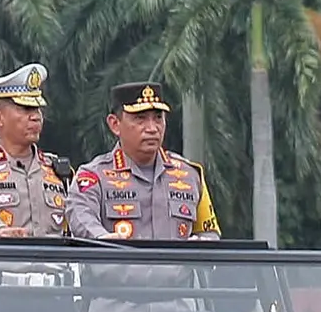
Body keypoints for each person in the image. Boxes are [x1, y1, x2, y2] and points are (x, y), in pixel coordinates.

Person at [67, 83, 220, 241]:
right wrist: (105, 240)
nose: (152, 128)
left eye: (158, 118)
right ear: (115, 124)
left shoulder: (190, 175)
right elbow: (81, 219)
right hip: (119, 264)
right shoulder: (93, 177)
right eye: (140, 119)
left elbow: (209, 232)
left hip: (175, 266)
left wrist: (201, 243)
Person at [0, 63, 74, 236]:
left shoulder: (60, 171)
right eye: (25, 109)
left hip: (54, 262)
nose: (36, 117)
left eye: (37, 109)